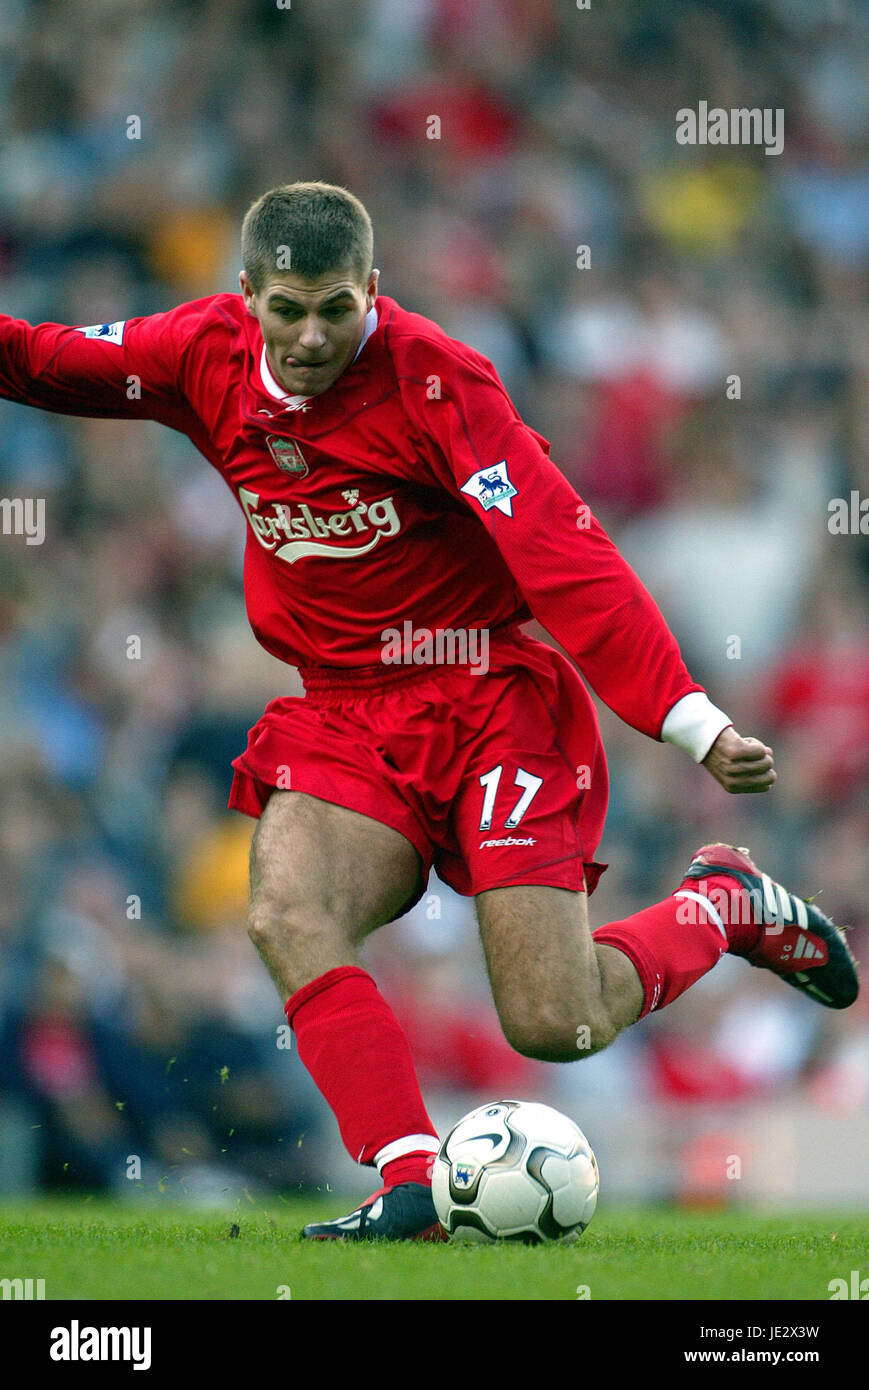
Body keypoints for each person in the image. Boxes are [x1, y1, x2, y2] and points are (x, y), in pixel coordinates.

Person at [0, 182, 858, 1241]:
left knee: (556, 1019)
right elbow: (35, 359)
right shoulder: (196, 353)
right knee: (285, 909)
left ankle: (720, 905)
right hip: (345, 710)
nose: (312, 335)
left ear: (371, 289)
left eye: (337, 308)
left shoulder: (435, 380)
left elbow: (561, 548)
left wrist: (684, 717)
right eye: (288, 309)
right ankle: (408, 1179)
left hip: (487, 698)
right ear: (247, 297)